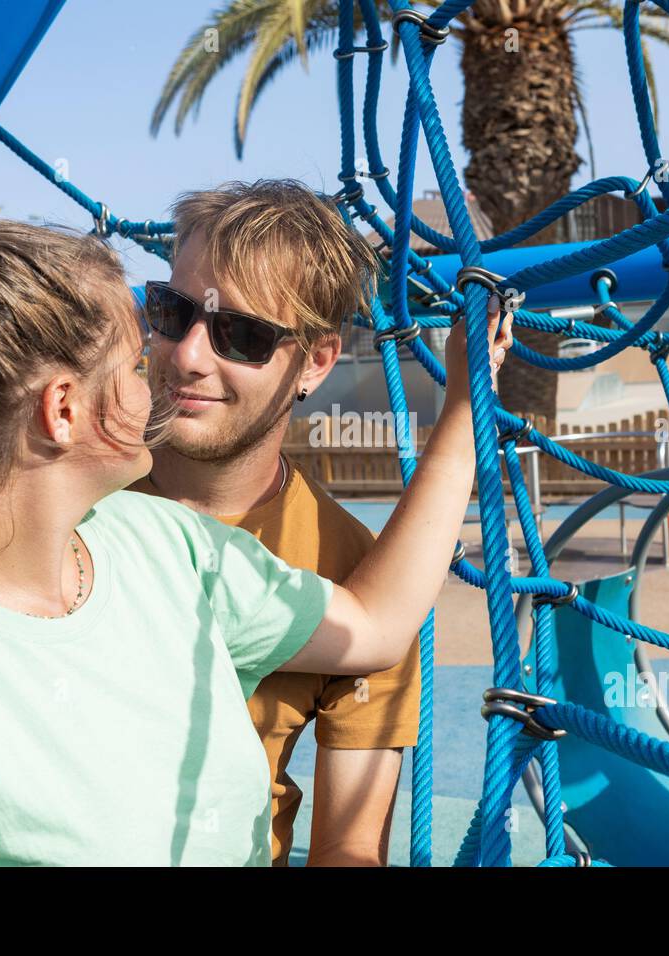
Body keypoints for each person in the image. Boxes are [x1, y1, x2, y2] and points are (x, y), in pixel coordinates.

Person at [0, 213, 511, 866]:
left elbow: (375, 625)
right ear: (62, 411)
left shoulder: (165, 548)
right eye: (144, 343)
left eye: (237, 333)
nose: (173, 365)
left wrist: (460, 412)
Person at [132, 180, 420, 865]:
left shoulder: (360, 577)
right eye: (173, 312)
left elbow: (348, 848)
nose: (189, 355)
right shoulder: (65, 490)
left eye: (241, 334)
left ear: (317, 361)